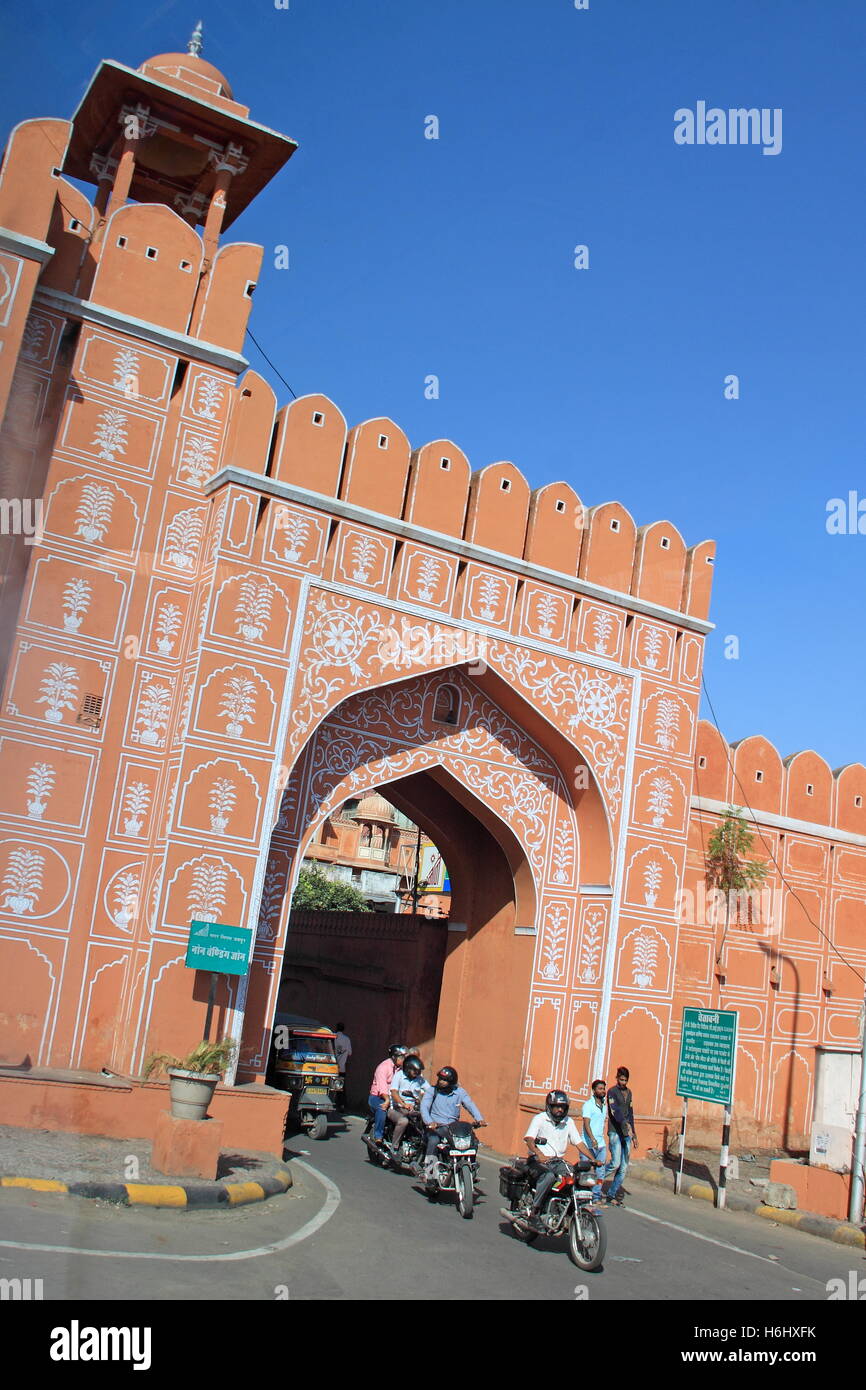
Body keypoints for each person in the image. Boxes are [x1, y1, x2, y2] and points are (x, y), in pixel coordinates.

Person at [505, 1090, 596, 1233]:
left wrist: (593, 1159)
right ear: (549, 1106)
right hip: (537, 1161)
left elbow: (578, 1143)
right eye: (556, 1106)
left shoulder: (568, 1122)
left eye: (563, 1107)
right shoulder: (540, 1119)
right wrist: (539, 1153)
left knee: (575, 1178)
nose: (560, 1110)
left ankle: (567, 1210)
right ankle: (535, 1212)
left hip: (558, 1162)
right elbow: (529, 1139)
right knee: (548, 1177)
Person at [419, 1065, 486, 1183]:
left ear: (452, 1082)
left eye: (445, 1080)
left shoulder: (459, 1092)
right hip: (436, 1127)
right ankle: (428, 1172)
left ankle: (472, 1167)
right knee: (433, 1141)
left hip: (453, 1128)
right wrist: (429, 1122)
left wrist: (479, 1119)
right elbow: (424, 1107)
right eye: (440, 1079)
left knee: (473, 1141)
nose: (441, 1082)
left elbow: (470, 1105)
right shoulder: (432, 1091)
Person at [604, 1065, 637, 1205]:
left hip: (626, 1133)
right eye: (621, 1079)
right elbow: (615, 1111)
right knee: (615, 1163)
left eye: (625, 1080)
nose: (623, 1082)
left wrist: (634, 1133)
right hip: (615, 1132)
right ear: (617, 1078)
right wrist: (624, 1123)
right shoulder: (611, 1092)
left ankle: (611, 1194)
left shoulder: (629, 1093)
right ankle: (593, 1179)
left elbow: (630, 1112)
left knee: (623, 1167)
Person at [386, 1054, 429, 1153]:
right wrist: (403, 1104)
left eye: (418, 1071)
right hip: (396, 1108)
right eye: (415, 1070)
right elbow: (394, 1092)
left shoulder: (419, 1079)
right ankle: (394, 1146)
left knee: (425, 1120)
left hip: (413, 1108)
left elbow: (429, 1090)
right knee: (403, 1121)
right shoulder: (399, 1075)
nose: (417, 1073)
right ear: (408, 1068)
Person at [368, 1044, 408, 1143]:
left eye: (404, 1057)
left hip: (393, 1098)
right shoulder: (383, 1067)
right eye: (401, 1057)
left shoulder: (401, 1069)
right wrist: (386, 1100)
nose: (403, 1059)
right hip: (378, 1097)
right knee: (382, 1109)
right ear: (394, 1057)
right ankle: (378, 1135)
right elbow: (382, 1087)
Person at [580, 1077, 609, 1202]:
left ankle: (596, 1197)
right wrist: (592, 1139)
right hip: (588, 1145)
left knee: (600, 1172)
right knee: (586, 1171)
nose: (602, 1091)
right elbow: (586, 1123)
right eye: (600, 1089)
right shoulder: (588, 1105)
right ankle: (583, 1197)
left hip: (601, 1144)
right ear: (593, 1091)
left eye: (604, 1089)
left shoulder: (604, 1106)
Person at [334, 1022, 352, 1111]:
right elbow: (350, 1053)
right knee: (341, 1087)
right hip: (342, 1067)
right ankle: (341, 1105)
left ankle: (333, 1102)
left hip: (332, 1067)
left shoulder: (333, 1037)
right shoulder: (346, 1039)